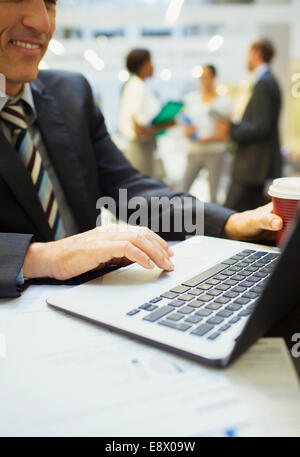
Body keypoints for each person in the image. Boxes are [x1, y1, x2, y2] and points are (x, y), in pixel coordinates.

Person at [0, 0, 283, 299]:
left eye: (50, 3)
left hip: (93, 300)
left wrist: (229, 222)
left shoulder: (70, 93)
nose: (42, 22)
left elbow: (127, 189)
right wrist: (44, 257)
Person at [218, 39, 282, 212]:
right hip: (257, 165)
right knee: (251, 214)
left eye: (248, 53)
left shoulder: (264, 83)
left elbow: (260, 127)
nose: (247, 59)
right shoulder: (268, 81)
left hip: (252, 165)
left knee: (230, 213)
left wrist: (231, 129)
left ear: (257, 53)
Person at [181, 64, 233, 203]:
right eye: (201, 77)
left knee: (214, 194)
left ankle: (213, 223)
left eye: (207, 76)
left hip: (215, 153)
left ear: (213, 78)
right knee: (183, 189)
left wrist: (208, 138)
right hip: (194, 152)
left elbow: (226, 134)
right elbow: (185, 125)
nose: (204, 80)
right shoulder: (190, 100)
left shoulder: (224, 102)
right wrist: (188, 132)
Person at [119, 48, 173, 177]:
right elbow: (139, 129)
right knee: (143, 190)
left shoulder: (139, 86)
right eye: (150, 62)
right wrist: (166, 124)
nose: (153, 66)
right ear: (142, 65)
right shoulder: (136, 87)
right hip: (140, 147)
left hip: (146, 146)